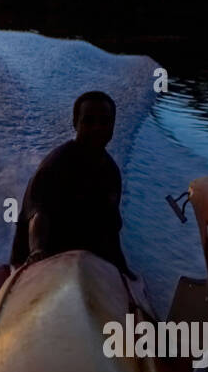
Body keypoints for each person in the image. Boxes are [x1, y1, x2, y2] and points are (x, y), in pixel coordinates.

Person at [10, 91, 132, 276]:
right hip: (39, 264)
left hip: (82, 266)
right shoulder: (54, 166)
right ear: (75, 123)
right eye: (88, 121)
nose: (97, 128)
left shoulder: (111, 173)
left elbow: (110, 231)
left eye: (104, 121)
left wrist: (124, 272)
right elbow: (38, 216)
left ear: (113, 126)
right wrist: (37, 252)